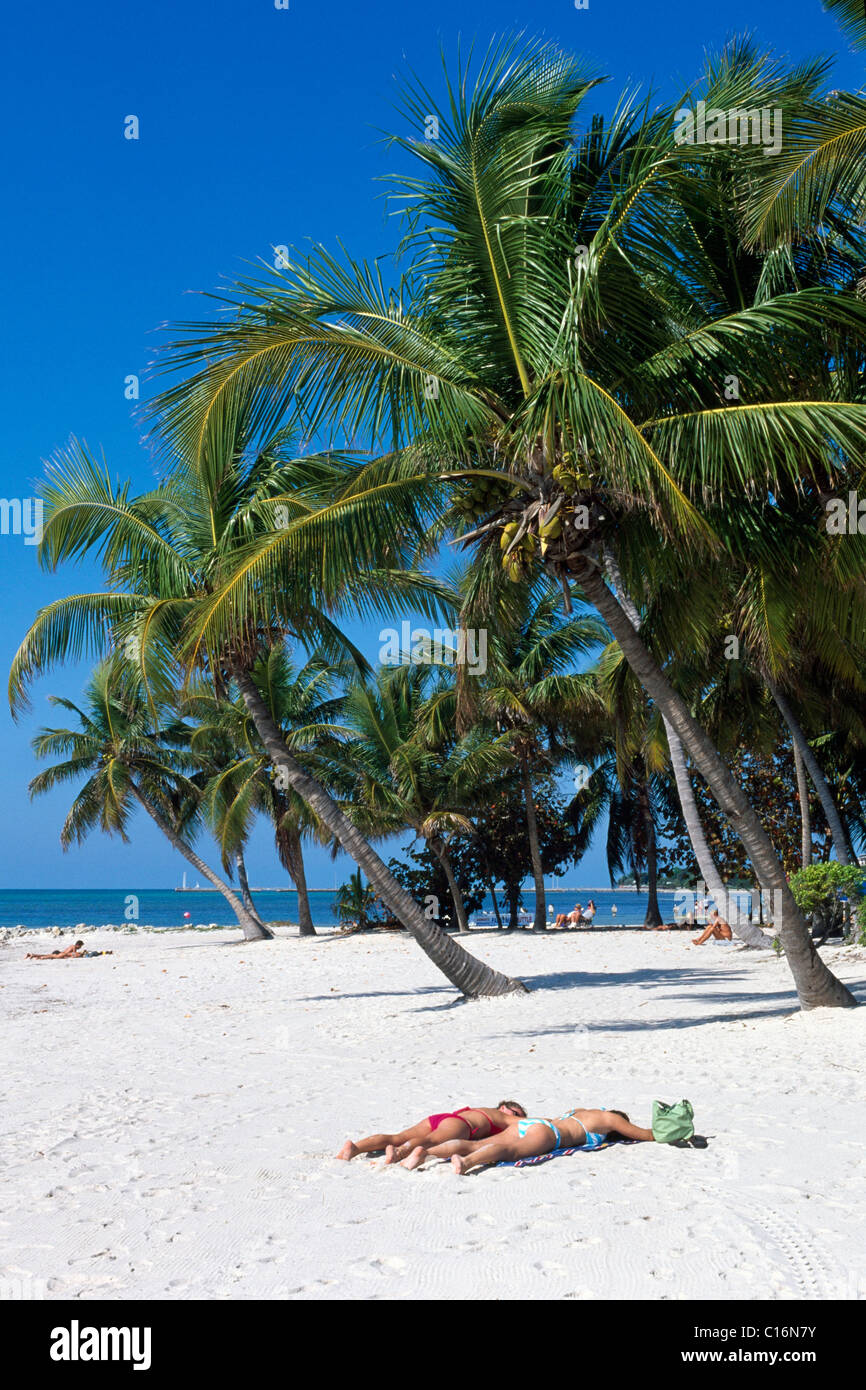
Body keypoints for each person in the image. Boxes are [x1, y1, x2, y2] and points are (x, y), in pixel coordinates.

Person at [402, 1105, 655, 1173]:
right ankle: (466, 1164)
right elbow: (646, 1135)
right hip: (550, 1135)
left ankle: (427, 1153)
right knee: (507, 1151)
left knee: (476, 1144)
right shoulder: (610, 1121)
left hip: (537, 1123)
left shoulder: (582, 1111)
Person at [336, 1100, 527, 1162]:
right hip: (461, 1125)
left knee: (398, 1136)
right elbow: (534, 1122)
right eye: (517, 1112)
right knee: (432, 1141)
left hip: (442, 1118)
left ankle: (355, 1148)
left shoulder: (482, 1110)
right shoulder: (500, 1116)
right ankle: (400, 1152)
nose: (519, 1118)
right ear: (504, 1107)